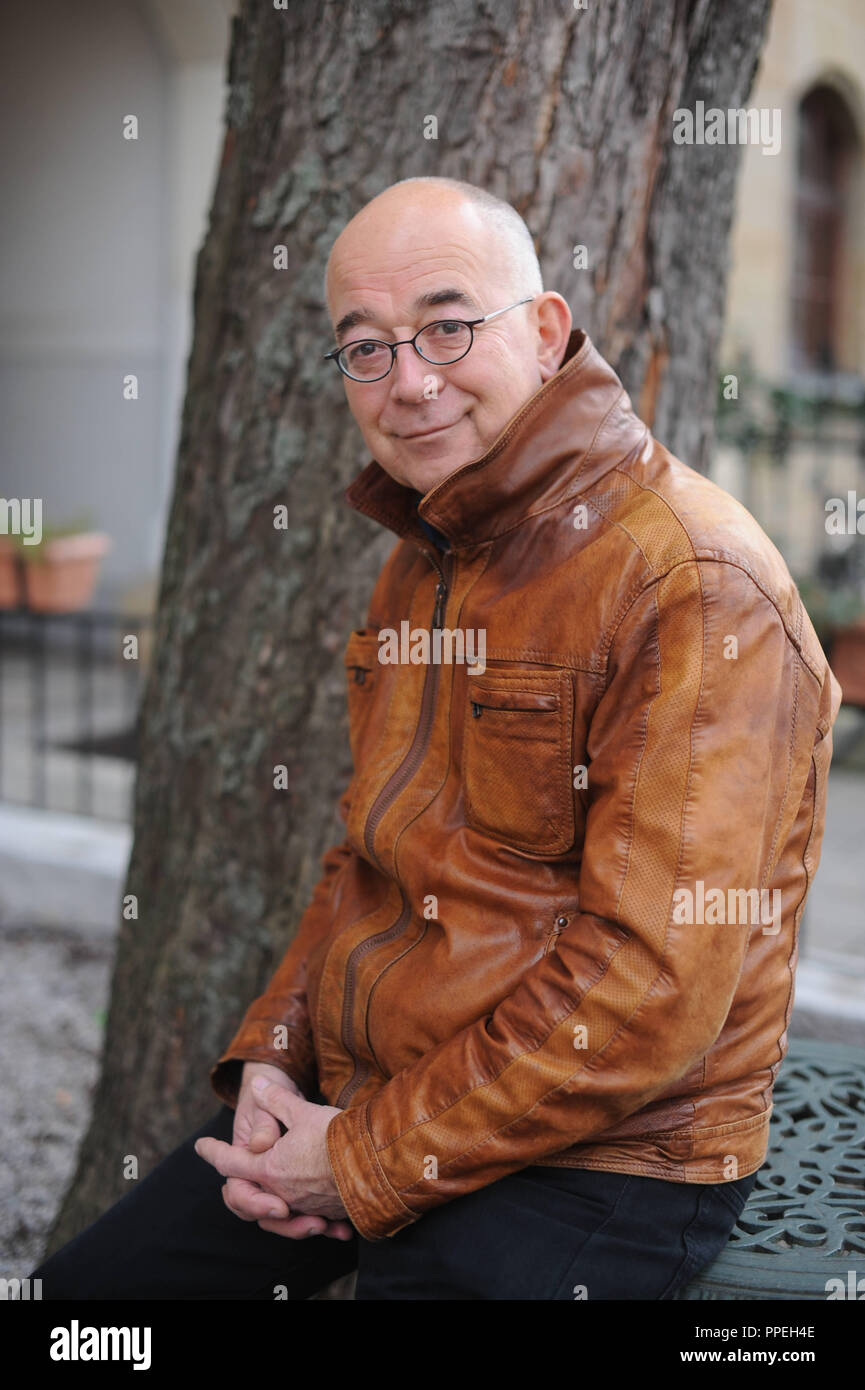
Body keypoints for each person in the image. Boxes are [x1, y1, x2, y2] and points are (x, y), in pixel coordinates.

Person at [34, 177, 841, 1300]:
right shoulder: (427, 550)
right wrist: (276, 1060)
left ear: (546, 328)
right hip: (386, 1099)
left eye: (448, 327)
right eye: (365, 347)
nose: (408, 383)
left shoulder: (693, 581)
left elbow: (651, 989)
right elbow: (367, 853)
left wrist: (357, 1163)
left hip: (606, 1156)